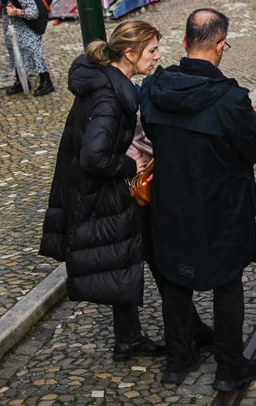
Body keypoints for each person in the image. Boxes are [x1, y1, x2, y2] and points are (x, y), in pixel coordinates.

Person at [139, 9, 256, 391]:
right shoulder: (230, 100)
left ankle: (179, 360)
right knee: (227, 284)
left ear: (183, 43)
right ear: (219, 46)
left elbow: (156, 131)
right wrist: (247, 119)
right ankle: (230, 367)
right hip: (220, 208)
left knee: (175, 281)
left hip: (171, 204)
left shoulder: (153, 88)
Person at [39, 19, 166, 363]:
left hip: (87, 188)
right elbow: (94, 155)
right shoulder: (111, 96)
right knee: (123, 254)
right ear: (129, 53)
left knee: (119, 257)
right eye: (152, 50)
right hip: (100, 190)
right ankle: (131, 340)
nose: (157, 57)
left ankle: (129, 339)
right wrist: (129, 167)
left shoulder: (104, 81)